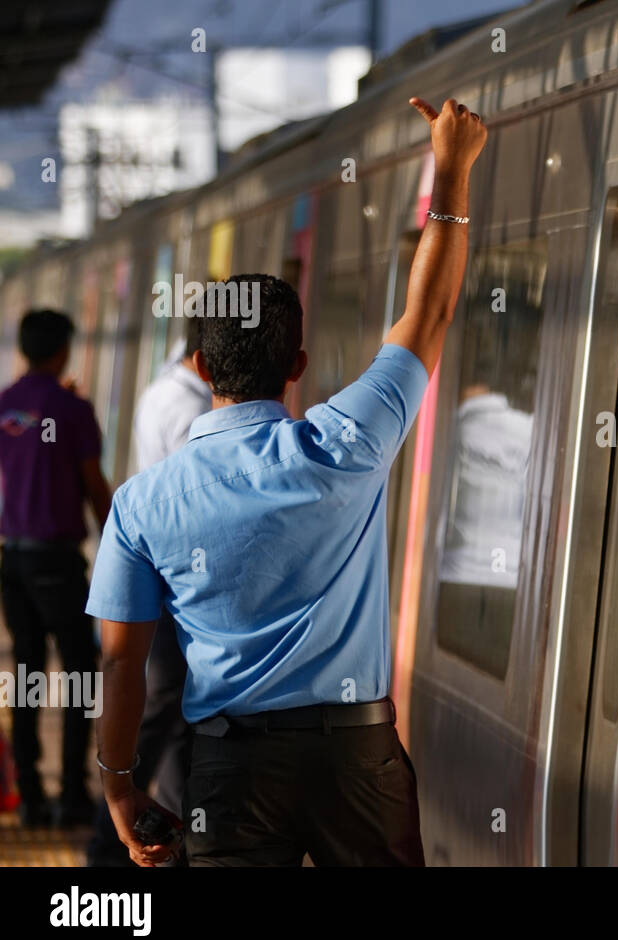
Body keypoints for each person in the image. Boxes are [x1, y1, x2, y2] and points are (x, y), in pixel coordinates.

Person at [86, 96, 486, 867]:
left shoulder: (141, 504)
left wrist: (120, 785)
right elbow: (428, 312)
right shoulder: (349, 440)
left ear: (200, 370)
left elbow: (123, 663)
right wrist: (452, 170)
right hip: (358, 762)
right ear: (297, 366)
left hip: (231, 771)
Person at [86, 322, 210, 866]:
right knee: (157, 715)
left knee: (173, 723)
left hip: (163, 589)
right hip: (171, 595)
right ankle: (109, 843)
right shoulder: (188, 410)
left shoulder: (164, 390)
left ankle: (183, 838)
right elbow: (195, 504)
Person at [0, 309, 112, 828]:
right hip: (58, 561)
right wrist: (118, 544)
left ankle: (30, 795)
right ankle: (72, 792)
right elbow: (93, 484)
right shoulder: (72, 408)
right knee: (81, 674)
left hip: (13, 560)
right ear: (62, 349)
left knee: (26, 674)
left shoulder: (5, 405)